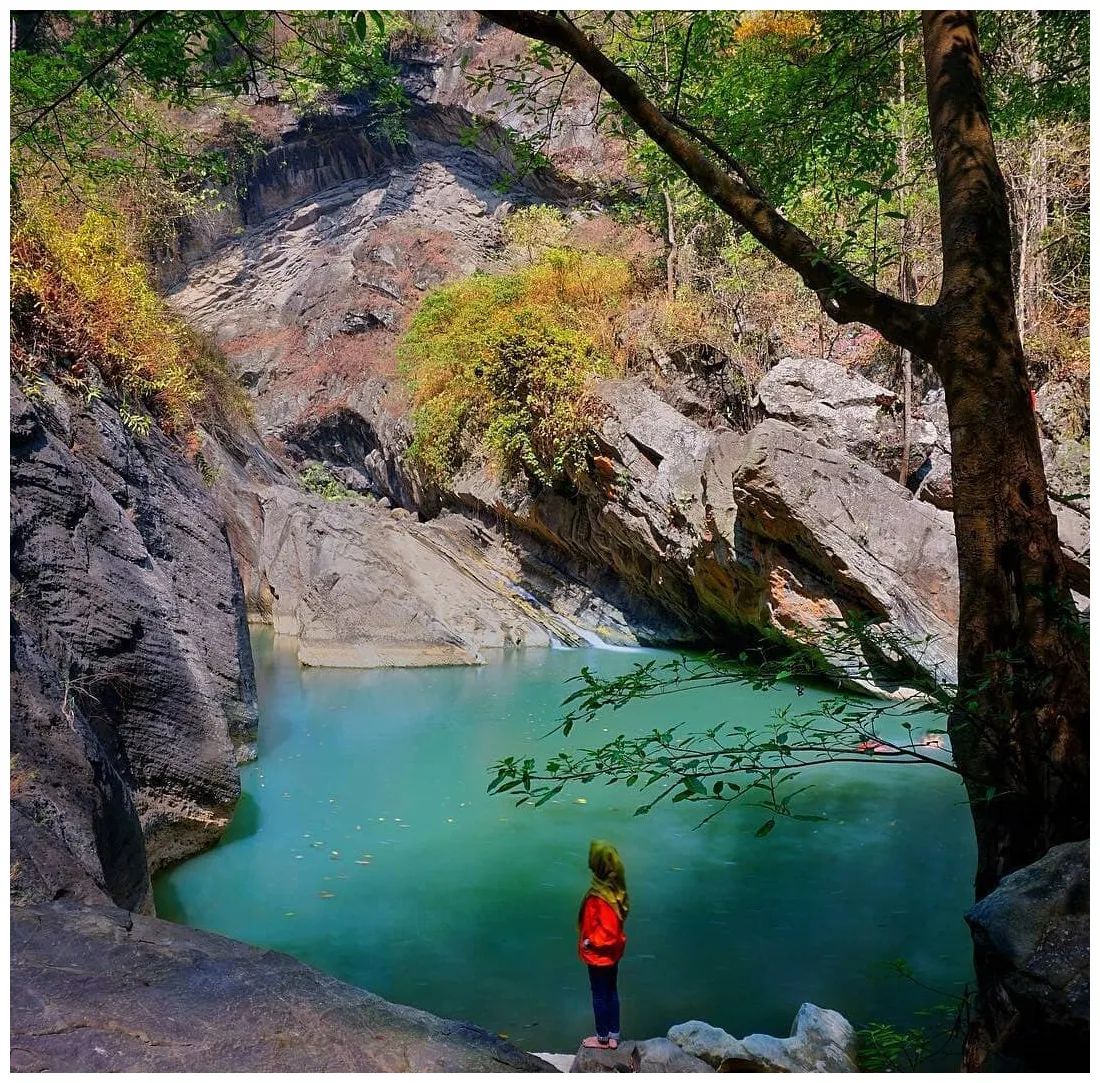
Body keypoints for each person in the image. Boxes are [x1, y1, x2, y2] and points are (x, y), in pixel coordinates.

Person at [577, 839, 629, 1050]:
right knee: (611, 991)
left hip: (600, 956)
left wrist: (590, 941)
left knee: (599, 995)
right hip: (613, 954)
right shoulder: (616, 890)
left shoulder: (601, 897)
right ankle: (614, 1035)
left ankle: (602, 1038)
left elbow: (609, 933)